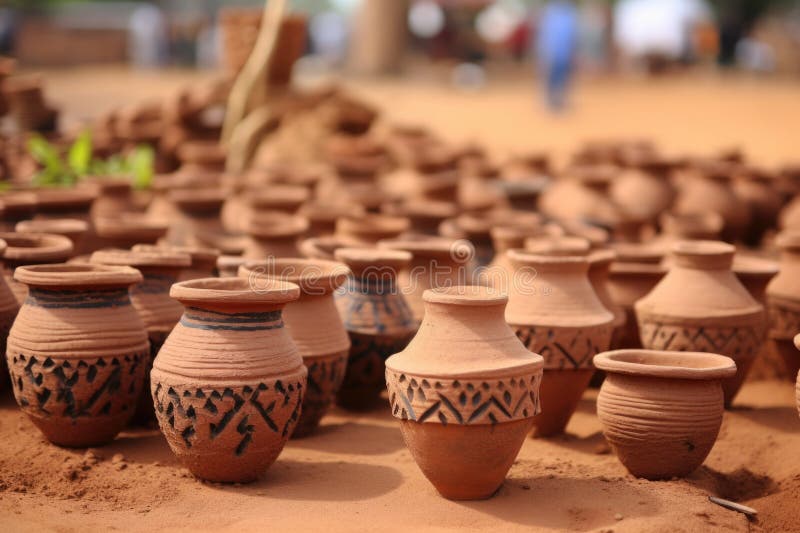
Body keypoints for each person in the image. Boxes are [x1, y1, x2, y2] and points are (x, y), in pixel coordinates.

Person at [535, 0, 579, 111]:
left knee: (563, 77)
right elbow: (544, 35)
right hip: (552, 53)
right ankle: (550, 100)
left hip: (565, 53)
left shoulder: (570, 13)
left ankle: (560, 99)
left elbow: (573, 35)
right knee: (551, 77)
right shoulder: (550, 12)